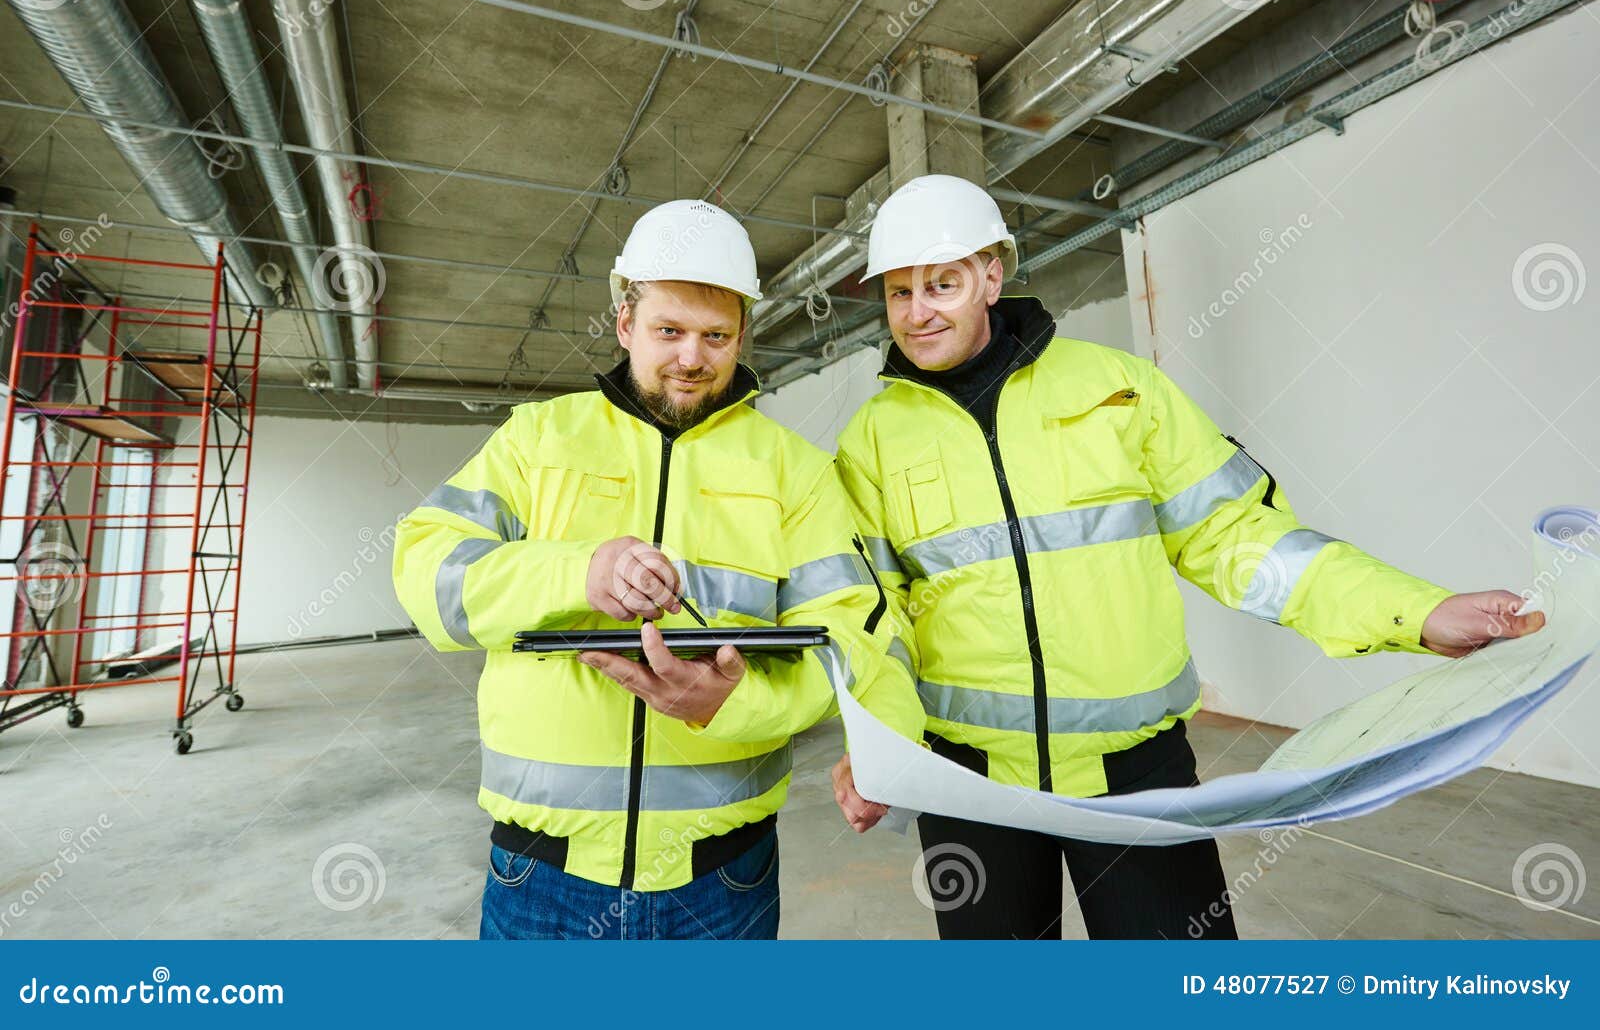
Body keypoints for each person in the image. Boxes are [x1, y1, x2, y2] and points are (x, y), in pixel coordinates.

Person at [828, 174, 1544, 940]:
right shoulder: (871, 441)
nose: (918, 311)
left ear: (992, 276)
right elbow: (876, 620)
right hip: (968, 785)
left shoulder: (1120, 390)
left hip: (1138, 779)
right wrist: (884, 750)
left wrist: (1418, 611)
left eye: (941, 284)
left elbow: (1238, 536)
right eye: (899, 293)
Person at [392, 199, 920, 941]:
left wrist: (727, 706)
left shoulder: (794, 472)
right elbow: (427, 572)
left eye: (715, 336)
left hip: (721, 879)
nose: (691, 358)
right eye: (668, 331)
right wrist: (576, 574)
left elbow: (853, 634)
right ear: (624, 324)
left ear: (743, 335)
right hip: (543, 875)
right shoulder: (538, 439)